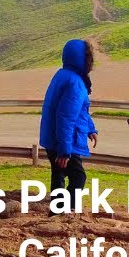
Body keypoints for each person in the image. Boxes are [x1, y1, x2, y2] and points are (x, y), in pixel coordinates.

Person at [39, 39, 98, 210]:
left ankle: (57, 213)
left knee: (58, 175)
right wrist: (64, 150)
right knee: (78, 177)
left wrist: (90, 128)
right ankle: (69, 213)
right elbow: (66, 116)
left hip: (53, 137)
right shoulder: (76, 83)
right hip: (64, 141)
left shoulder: (62, 75)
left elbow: (78, 111)